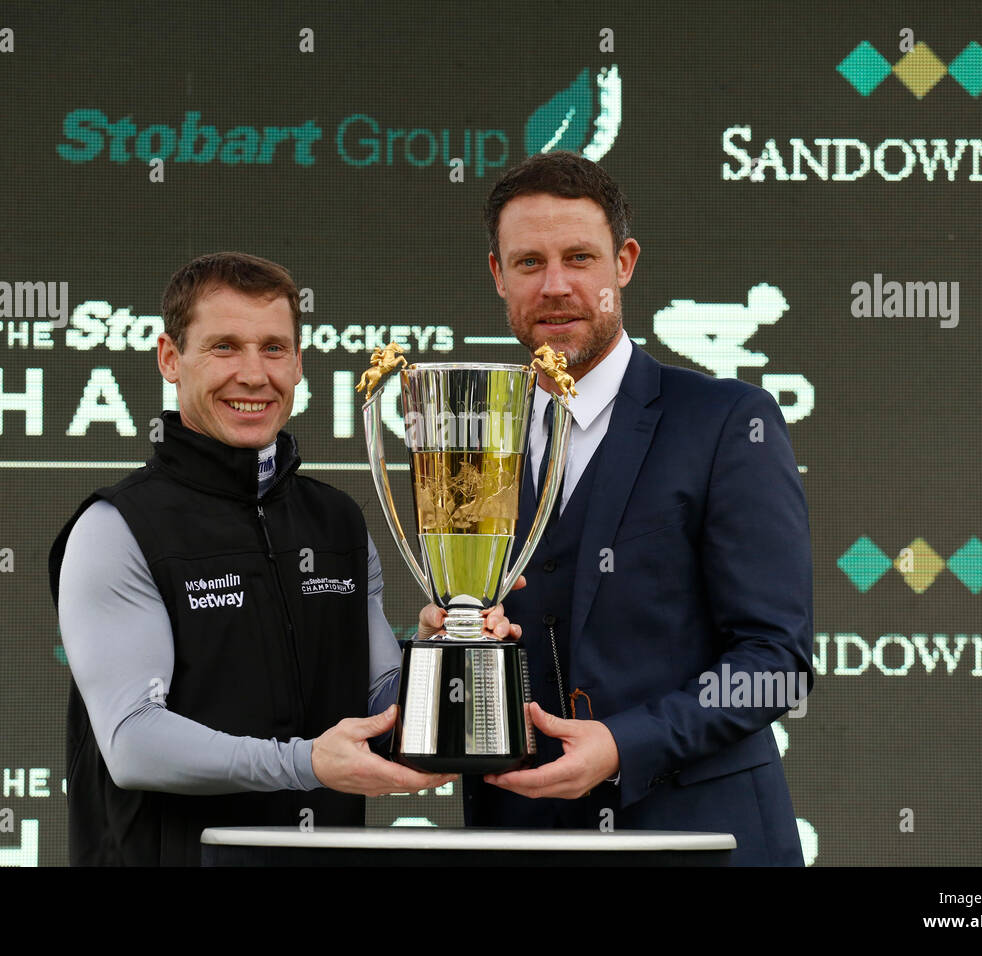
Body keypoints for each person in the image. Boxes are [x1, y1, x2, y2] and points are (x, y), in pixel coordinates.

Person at [48, 252, 518, 866]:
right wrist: (304, 763)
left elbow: (381, 697)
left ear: (298, 364)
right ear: (170, 359)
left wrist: (445, 656)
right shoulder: (116, 527)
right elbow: (133, 740)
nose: (253, 374)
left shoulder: (336, 519)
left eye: (273, 349)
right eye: (223, 347)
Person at [454, 151, 814, 865]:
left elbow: (777, 658)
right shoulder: (472, 436)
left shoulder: (726, 421)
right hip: (518, 838)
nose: (556, 286)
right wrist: (458, 638)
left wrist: (624, 744)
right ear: (498, 275)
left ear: (624, 263)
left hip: (701, 837)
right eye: (529, 263)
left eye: (579, 257)